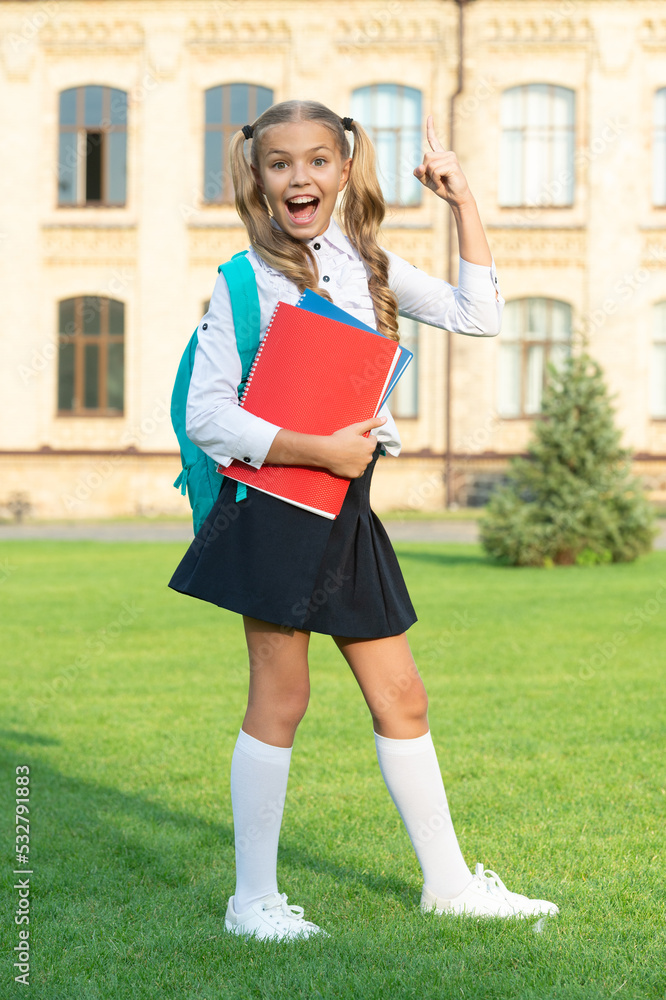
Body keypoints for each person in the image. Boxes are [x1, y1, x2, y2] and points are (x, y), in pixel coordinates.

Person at [168, 99, 558, 940]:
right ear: (258, 177)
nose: (299, 176)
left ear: (344, 171)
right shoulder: (244, 280)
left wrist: (462, 201)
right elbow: (207, 414)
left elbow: (477, 315)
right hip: (274, 509)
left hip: (348, 511)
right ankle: (252, 903)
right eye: (280, 163)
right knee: (282, 696)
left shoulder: (367, 264)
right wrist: (316, 448)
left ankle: (449, 885)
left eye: (317, 160)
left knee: (403, 699)